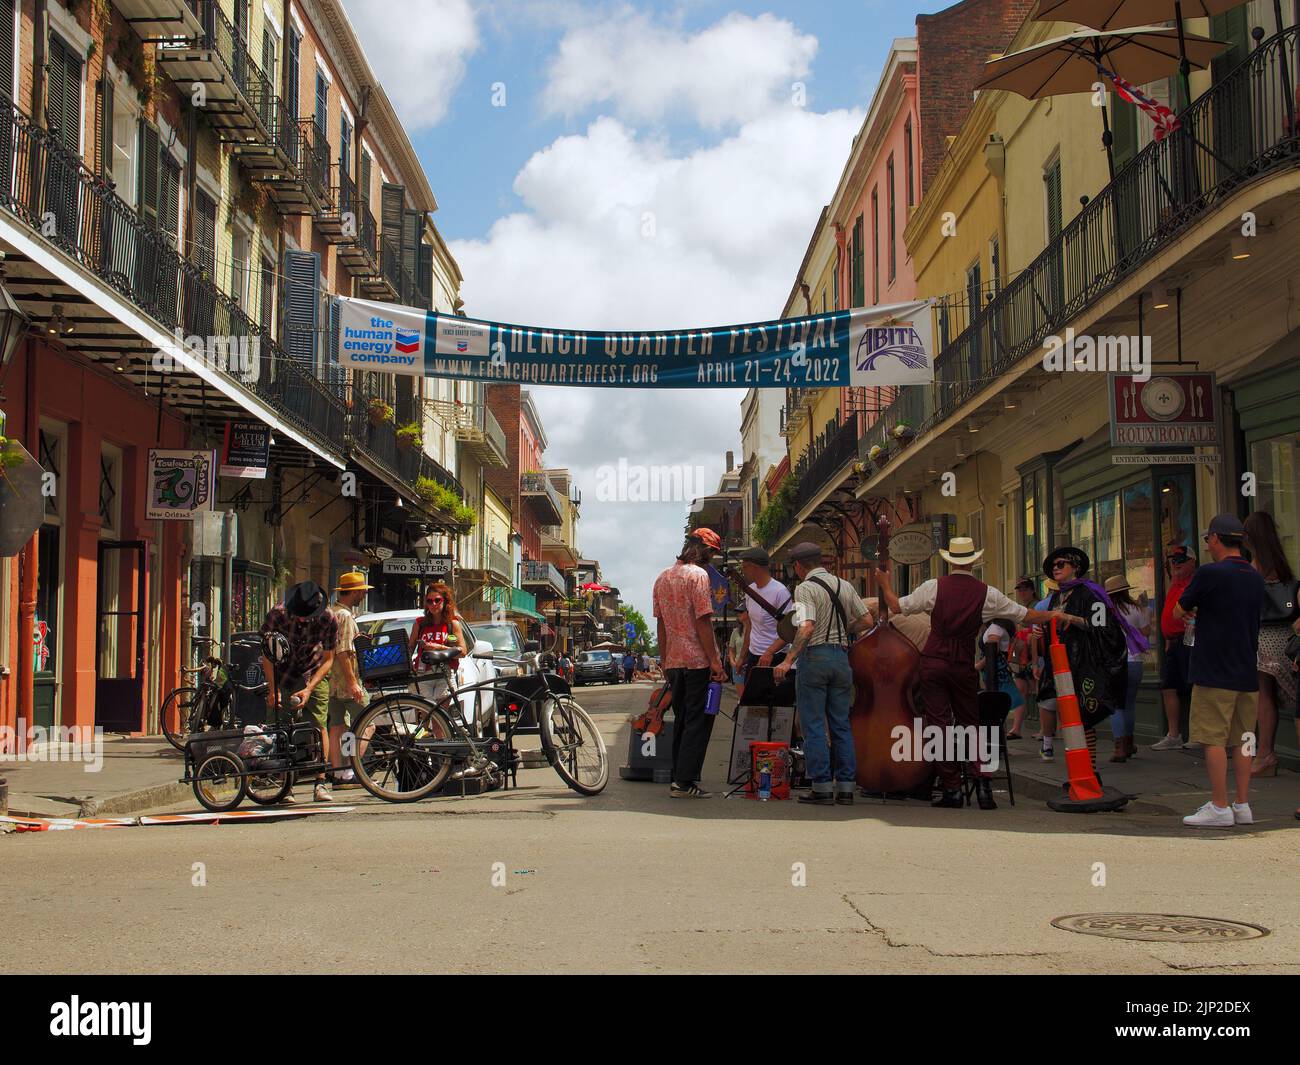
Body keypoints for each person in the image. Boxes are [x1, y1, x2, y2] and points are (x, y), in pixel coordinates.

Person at [879, 537, 1072, 809]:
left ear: (949, 562)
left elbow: (897, 607)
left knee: (939, 726)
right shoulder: (987, 593)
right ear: (972, 561)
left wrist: (885, 583)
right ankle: (983, 785)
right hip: (963, 663)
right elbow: (1025, 615)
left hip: (935, 660)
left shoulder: (934, 587)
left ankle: (952, 789)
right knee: (972, 724)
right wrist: (1055, 615)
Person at [1175, 514, 1266, 828]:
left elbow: (1178, 610)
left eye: (1208, 540)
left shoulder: (1209, 573)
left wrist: (1198, 608)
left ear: (1215, 539)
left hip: (1214, 667)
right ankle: (1243, 804)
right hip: (1246, 669)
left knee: (1212, 738)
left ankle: (1219, 805)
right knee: (1244, 738)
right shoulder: (1255, 575)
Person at [774, 542, 873, 806]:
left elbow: (806, 627)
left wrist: (788, 659)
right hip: (841, 658)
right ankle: (846, 788)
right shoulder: (845, 585)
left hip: (815, 657)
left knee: (814, 725)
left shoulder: (805, 588)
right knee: (841, 724)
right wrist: (844, 629)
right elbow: (867, 621)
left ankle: (821, 787)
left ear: (798, 565)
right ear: (821, 560)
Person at [1036, 547, 1144, 772]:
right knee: (1069, 720)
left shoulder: (1089, 592)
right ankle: (1078, 771)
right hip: (1062, 664)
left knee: (1084, 718)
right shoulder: (1057, 595)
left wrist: (1069, 617)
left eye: (1061, 564)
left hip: (1084, 663)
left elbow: (1102, 626)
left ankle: (1090, 772)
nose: (1055, 569)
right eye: (1053, 566)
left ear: (1075, 567)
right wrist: (1044, 630)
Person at [652, 527, 727, 797]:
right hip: (696, 660)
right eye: (712, 553)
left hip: (674, 660)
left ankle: (678, 777)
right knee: (698, 720)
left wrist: (663, 659)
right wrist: (716, 661)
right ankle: (684, 782)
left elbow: (661, 625)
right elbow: (702, 621)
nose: (712, 558)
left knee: (682, 718)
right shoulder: (698, 576)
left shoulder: (662, 577)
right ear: (704, 550)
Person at [260, 580, 338, 803]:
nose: (304, 619)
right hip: (282, 671)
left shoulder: (328, 618)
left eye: (308, 615)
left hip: (313, 671)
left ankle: (320, 782)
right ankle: (286, 785)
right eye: (300, 614)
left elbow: (329, 659)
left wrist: (310, 688)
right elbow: (266, 652)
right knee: (281, 726)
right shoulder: (278, 614)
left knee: (318, 724)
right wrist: (272, 688)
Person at [1243, 510, 1299, 778]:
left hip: (1264, 636)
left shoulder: (1256, 566)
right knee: (1280, 695)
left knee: (1263, 696)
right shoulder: (1281, 563)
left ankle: (1266, 753)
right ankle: (1266, 753)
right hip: (1285, 634)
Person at [328, 571, 372, 789]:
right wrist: (353, 682)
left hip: (332, 682)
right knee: (368, 723)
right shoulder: (344, 616)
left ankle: (338, 773)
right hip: (346, 681)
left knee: (338, 726)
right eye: (362, 591)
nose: (363, 594)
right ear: (353, 592)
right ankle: (351, 771)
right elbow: (343, 651)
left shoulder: (332, 612)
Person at [1152, 544, 1198, 750]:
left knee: (1195, 687)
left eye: (1180, 560)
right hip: (1174, 642)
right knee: (1168, 686)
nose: (1175, 564)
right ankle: (1174, 734)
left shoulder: (1194, 582)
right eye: (1173, 561)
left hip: (1191, 640)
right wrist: (1168, 641)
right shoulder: (1175, 583)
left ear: (1191, 562)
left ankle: (1197, 734)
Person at [734, 546, 793, 702]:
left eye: (745, 567)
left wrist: (770, 652)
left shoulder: (780, 592)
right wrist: (742, 657)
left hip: (776, 657)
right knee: (751, 706)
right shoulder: (750, 591)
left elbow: (790, 630)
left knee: (777, 706)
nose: (743, 571)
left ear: (755, 567)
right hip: (755, 657)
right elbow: (750, 627)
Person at [1104, 574, 1150, 763]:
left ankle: (1119, 747)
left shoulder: (1105, 611)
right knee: (1129, 704)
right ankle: (1129, 743)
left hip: (1115, 662)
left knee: (1116, 706)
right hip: (1135, 661)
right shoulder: (1136, 609)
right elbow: (1146, 632)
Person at [1007, 577, 1039, 738]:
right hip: (1021, 655)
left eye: (1025, 589)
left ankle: (1047, 727)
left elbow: (1035, 631)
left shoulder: (1036, 607)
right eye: (1020, 589)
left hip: (1034, 654)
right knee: (1021, 689)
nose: (1022, 592)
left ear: (1032, 590)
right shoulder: (1019, 608)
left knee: (1038, 689)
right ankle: (1016, 728)